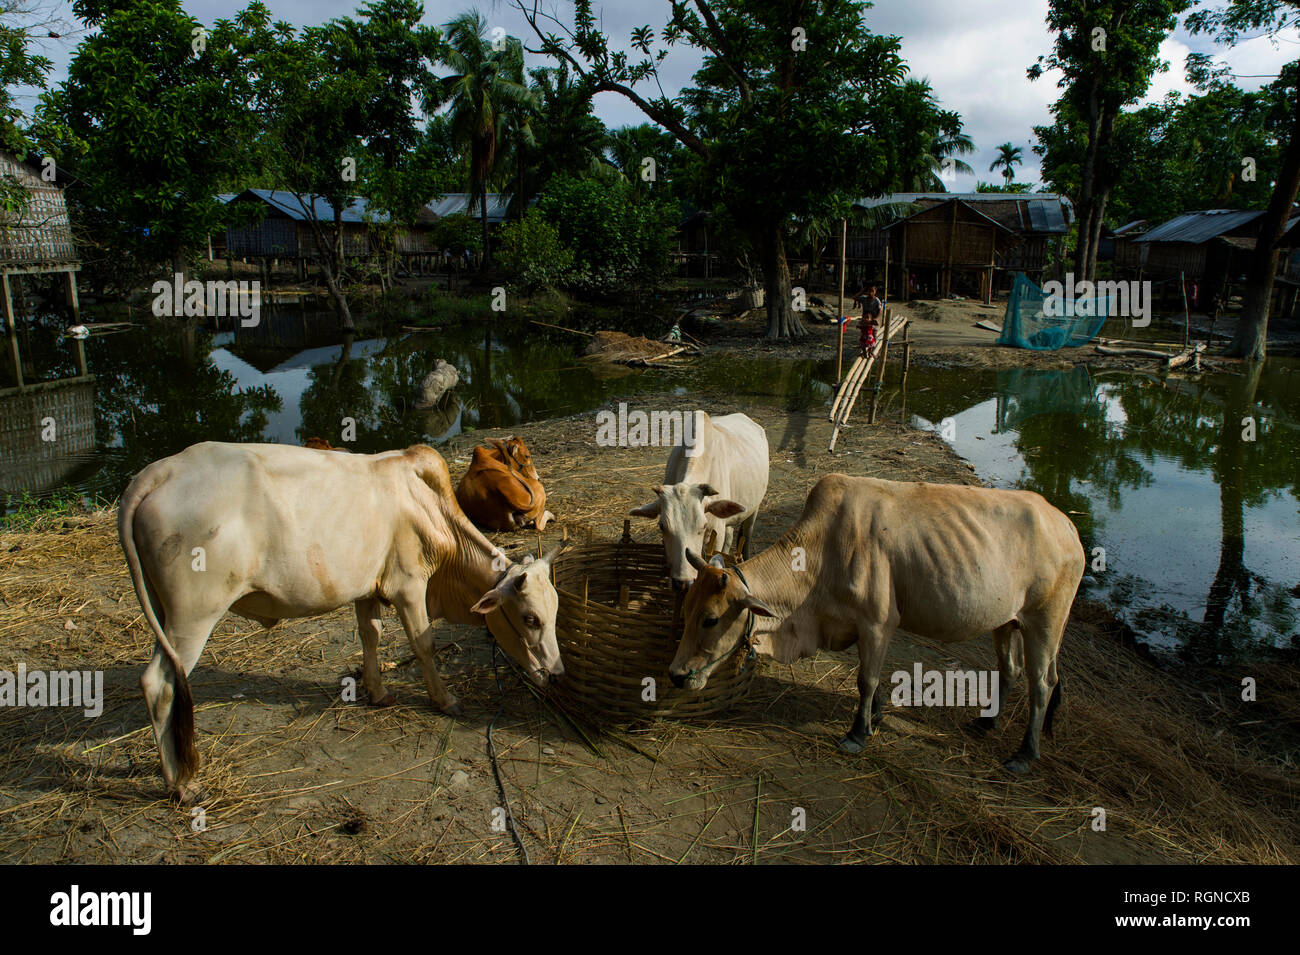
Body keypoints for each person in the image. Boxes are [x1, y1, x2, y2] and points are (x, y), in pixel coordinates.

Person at [853, 283, 883, 356]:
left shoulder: (876, 300)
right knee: (864, 335)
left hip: (873, 320)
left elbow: (880, 311)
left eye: (872, 291)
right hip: (865, 320)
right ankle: (864, 350)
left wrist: (875, 319)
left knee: (874, 334)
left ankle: (871, 350)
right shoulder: (863, 298)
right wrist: (862, 291)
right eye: (869, 291)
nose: (870, 293)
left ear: (875, 291)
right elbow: (855, 297)